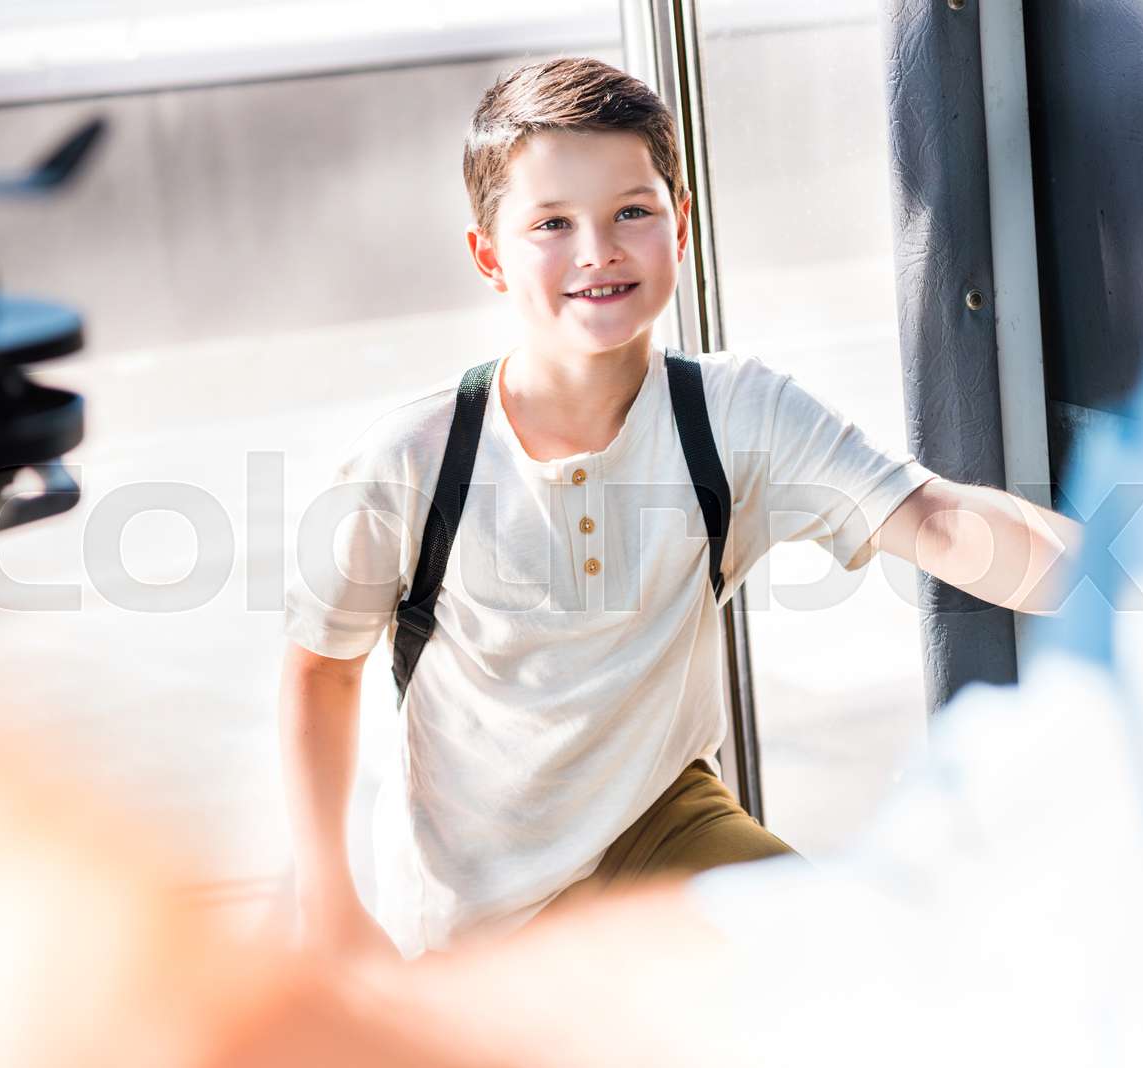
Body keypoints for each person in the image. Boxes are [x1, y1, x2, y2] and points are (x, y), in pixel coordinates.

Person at [279, 56, 1082, 961]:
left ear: (681, 221)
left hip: (664, 824)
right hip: (480, 907)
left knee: (843, 962)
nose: (599, 250)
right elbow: (321, 669)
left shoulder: (735, 413)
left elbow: (935, 521)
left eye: (632, 210)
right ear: (490, 255)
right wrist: (329, 901)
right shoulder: (413, 458)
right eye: (552, 223)